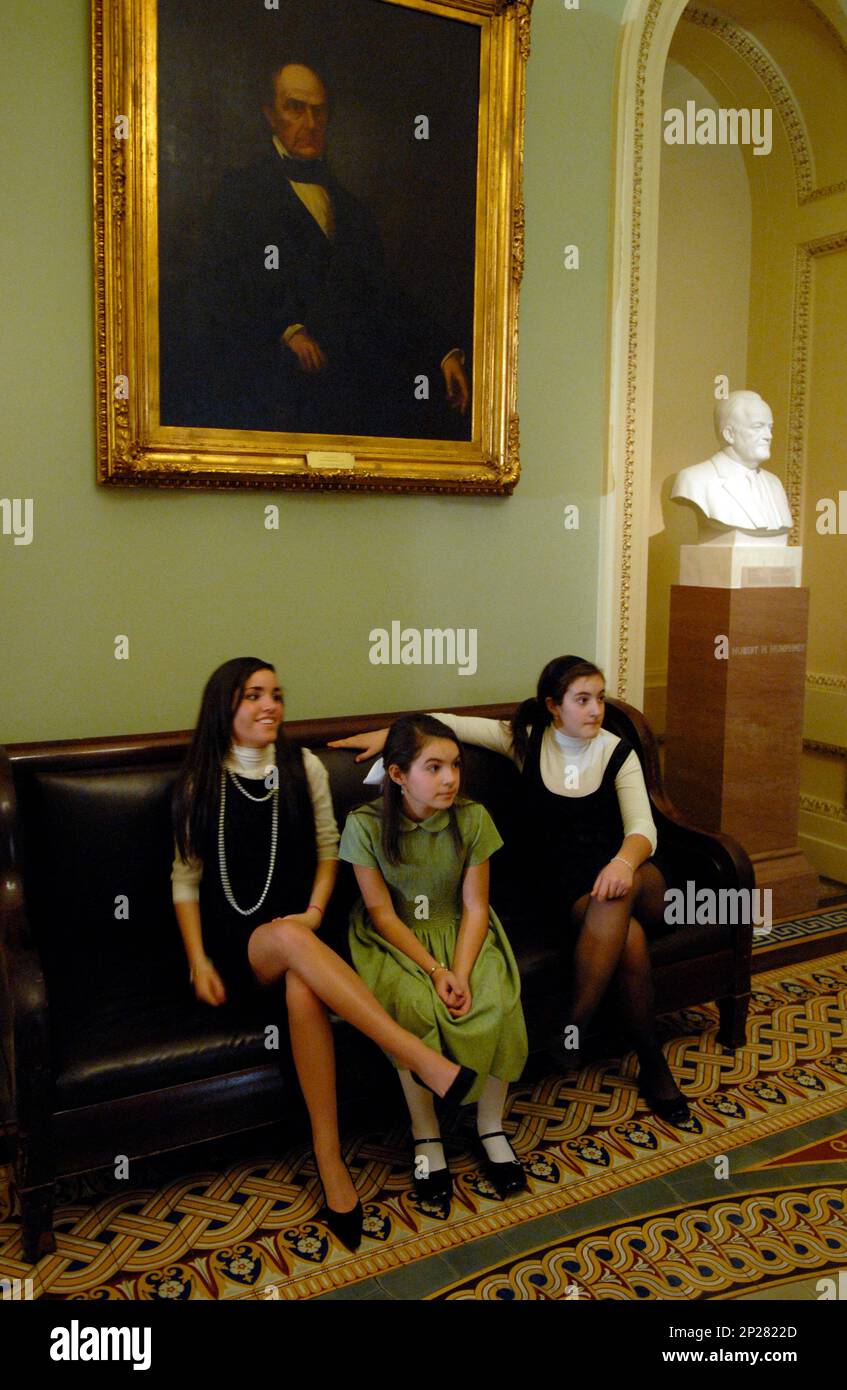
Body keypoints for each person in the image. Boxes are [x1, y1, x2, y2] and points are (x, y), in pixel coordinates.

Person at [171, 658, 475, 1252]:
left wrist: (312, 913)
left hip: (308, 929)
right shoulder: (197, 782)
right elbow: (184, 879)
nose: (270, 706)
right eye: (253, 695)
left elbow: (329, 849)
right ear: (223, 708)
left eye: (276, 694)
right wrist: (196, 959)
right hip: (243, 942)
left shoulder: (301, 765)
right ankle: (416, 1056)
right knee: (287, 944)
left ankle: (330, 1158)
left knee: (304, 980)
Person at [330, 657, 690, 1125]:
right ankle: (651, 1059)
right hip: (573, 896)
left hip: (637, 878)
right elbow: (454, 727)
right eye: (583, 699)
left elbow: (643, 826)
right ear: (553, 707)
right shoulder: (525, 741)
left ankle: (573, 1026)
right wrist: (389, 736)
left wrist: (623, 862)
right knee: (630, 941)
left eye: (600, 698)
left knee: (618, 896)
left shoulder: (616, 750)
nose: (596, 709)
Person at [174, 61, 469, 437]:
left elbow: (385, 297)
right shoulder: (239, 194)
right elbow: (217, 291)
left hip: (348, 403)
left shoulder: (353, 210)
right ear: (270, 115)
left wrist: (442, 351)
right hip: (269, 400)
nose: (310, 123)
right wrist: (286, 330)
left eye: (319, 111)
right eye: (295, 108)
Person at [338, 715, 528, 1209]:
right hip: (398, 940)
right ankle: (427, 1136)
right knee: (417, 1008)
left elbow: (475, 907)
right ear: (398, 775)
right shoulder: (364, 826)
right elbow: (381, 914)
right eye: (434, 767)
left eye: (455, 766)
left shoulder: (472, 819)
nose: (450, 778)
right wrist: (435, 971)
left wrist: (461, 971)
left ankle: (490, 1126)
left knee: (496, 999)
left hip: (461, 931)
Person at [670, 390, 793, 539]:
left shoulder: (774, 484)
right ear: (729, 434)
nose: (769, 436)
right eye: (758, 427)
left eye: (770, 427)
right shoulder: (694, 480)